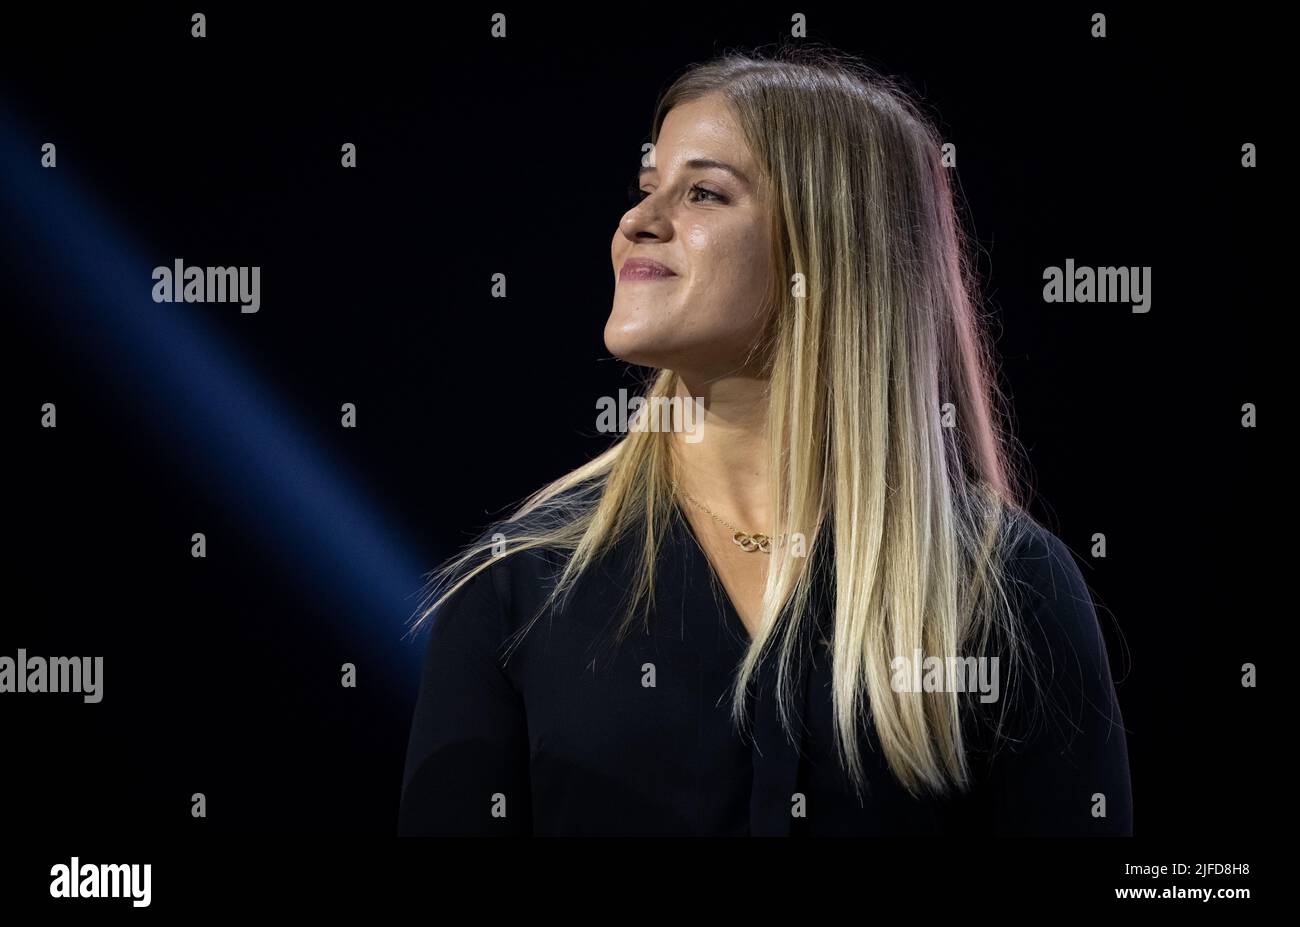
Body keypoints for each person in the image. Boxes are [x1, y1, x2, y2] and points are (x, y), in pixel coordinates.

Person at [398, 45, 1133, 836]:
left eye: (704, 193)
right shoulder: (516, 590)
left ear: (833, 249)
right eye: (648, 190)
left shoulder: (1005, 585)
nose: (636, 221)